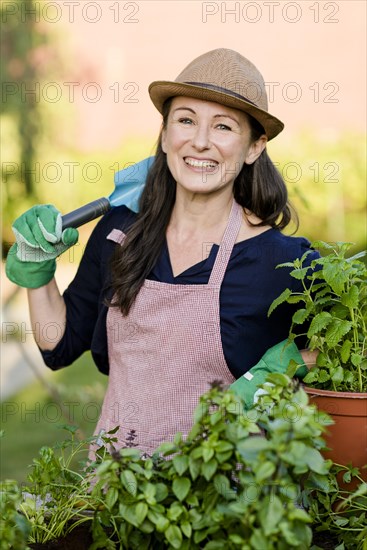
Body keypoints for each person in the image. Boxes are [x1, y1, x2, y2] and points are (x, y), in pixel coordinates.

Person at [6, 48, 318, 454]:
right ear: (166, 133)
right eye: (186, 120)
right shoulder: (120, 232)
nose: (200, 141)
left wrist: (281, 371)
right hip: (119, 487)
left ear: (254, 147)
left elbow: (342, 358)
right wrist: (38, 274)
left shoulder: (283, 263)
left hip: (233, 499)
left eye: (223, 127)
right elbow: (58, 345)